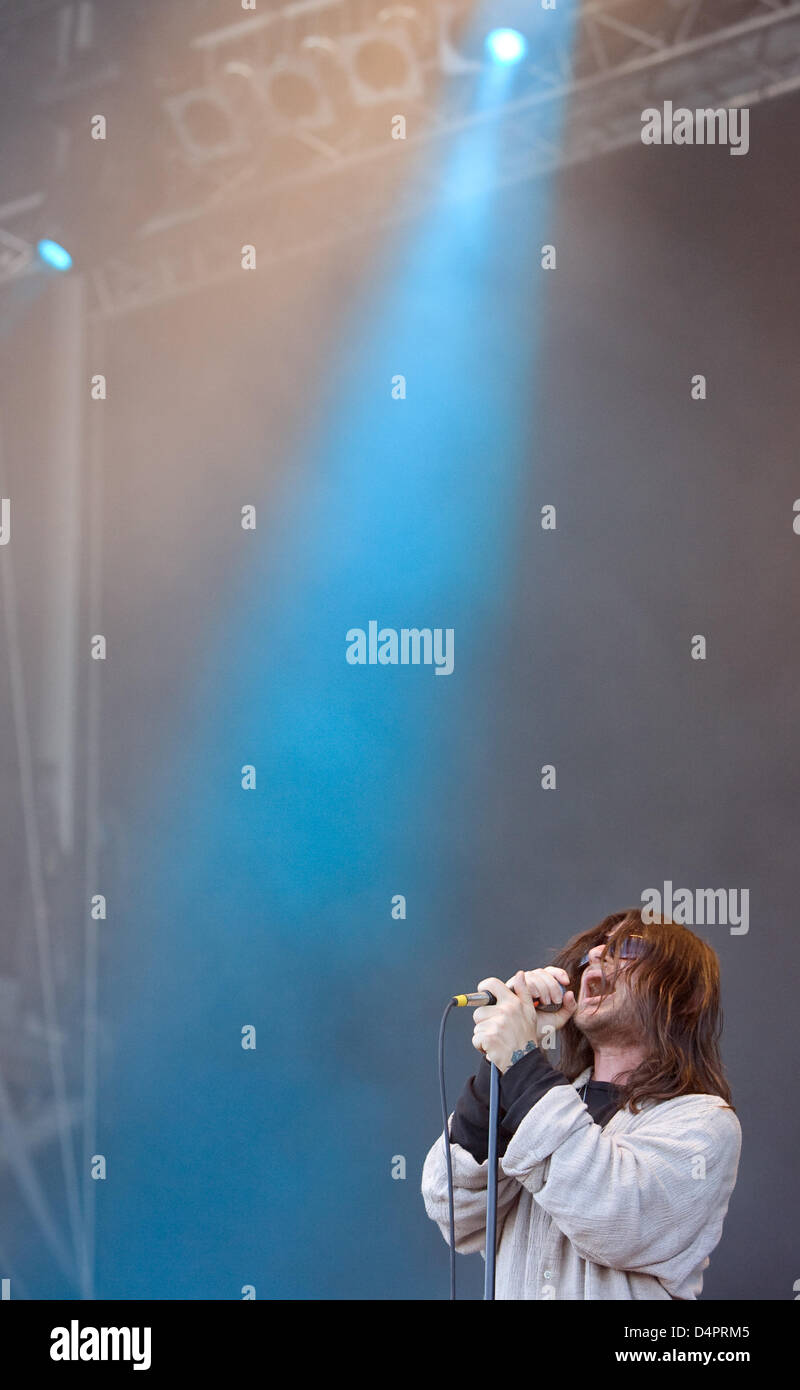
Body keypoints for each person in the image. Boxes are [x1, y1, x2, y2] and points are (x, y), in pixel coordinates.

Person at [421, 909, 741, 1300]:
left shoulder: (705, 1122)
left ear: (686, 998)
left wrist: (521, 1060)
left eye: (628, 948)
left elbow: (615, 1217)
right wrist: (500, 1068)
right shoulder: (541, 1102)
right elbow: (453, 1209)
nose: (599, 955)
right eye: (595, 950)